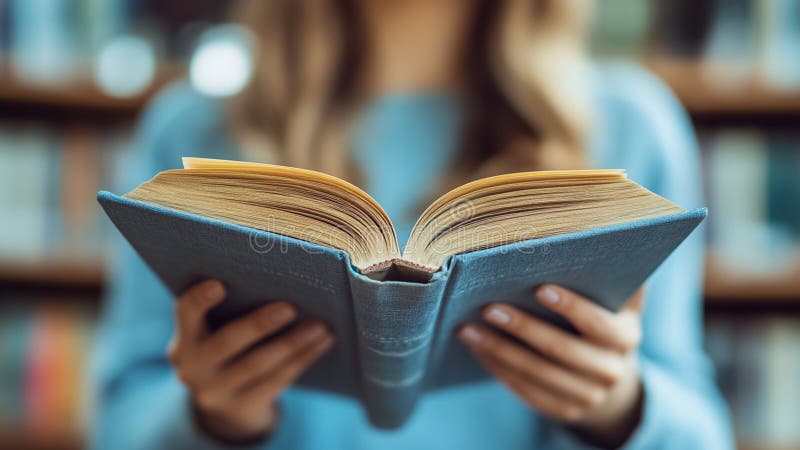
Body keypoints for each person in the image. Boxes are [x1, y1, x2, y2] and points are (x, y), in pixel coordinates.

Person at [91, 0, 734, 449]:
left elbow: (702, 432)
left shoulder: (630, 128)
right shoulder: (189, 135)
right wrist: (215, 417)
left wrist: (618, 407)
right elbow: (119, 427)